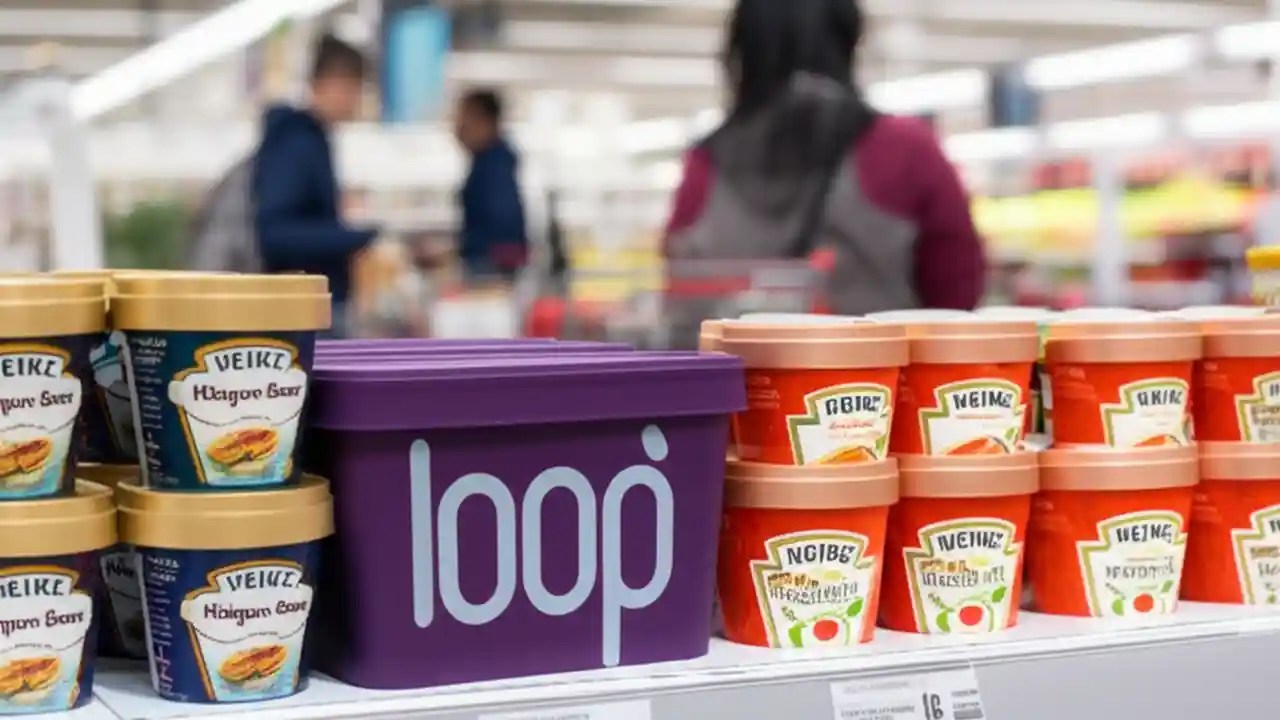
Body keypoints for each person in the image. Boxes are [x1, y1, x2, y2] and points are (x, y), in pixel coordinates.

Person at [664, 0, 985, 322]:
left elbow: (677, 289)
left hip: (725, 355)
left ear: (740, 50)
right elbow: (956, 301)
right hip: (871, 354)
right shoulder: (905, 150)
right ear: (849, 41)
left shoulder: (703, 164)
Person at [253, 33, 377, 337]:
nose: (358, 99)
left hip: (314, 304)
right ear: (332, 83)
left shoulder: (314, 140)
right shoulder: (297, 144)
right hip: (301, 310)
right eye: (355, 87)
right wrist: (355, 237)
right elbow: (274, 232)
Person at [453, 89, 528, 282]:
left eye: (464, 120)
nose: (457, 130)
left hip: (490, 273)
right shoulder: (488, 163)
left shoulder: (495, 168)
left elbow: (503, 224)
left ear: (486, 121)